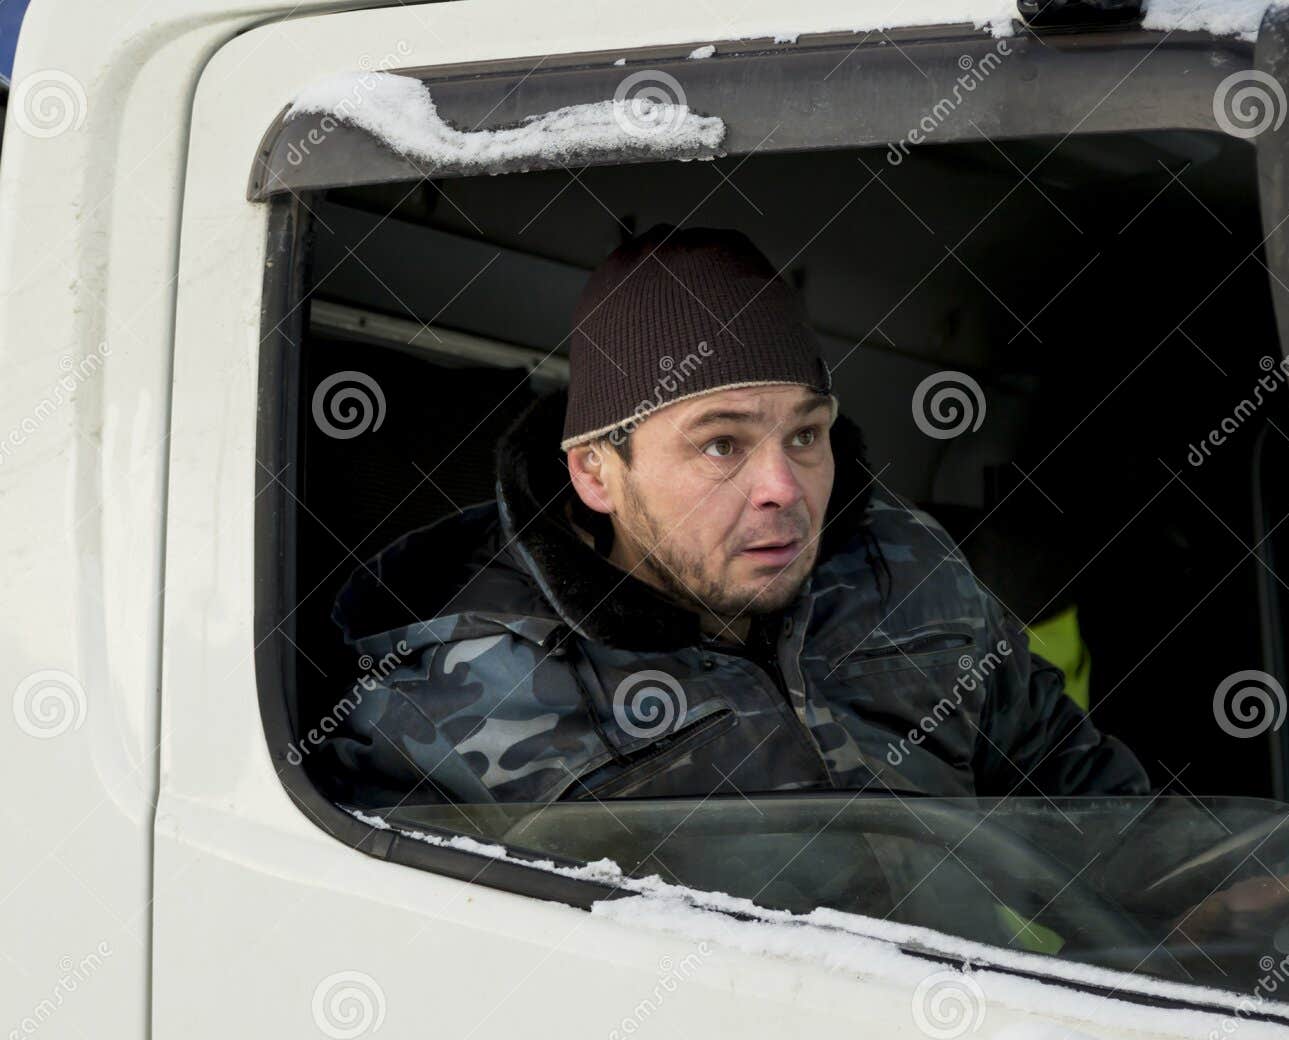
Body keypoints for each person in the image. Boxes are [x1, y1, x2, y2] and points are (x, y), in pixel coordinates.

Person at [327, 225, 1147, 806]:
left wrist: (1204, 905)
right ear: (595, 472)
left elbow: (1093, 813)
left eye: (806, 434)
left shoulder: (912, 580)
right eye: (721, 445)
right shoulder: (454, 707)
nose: (784, 489)